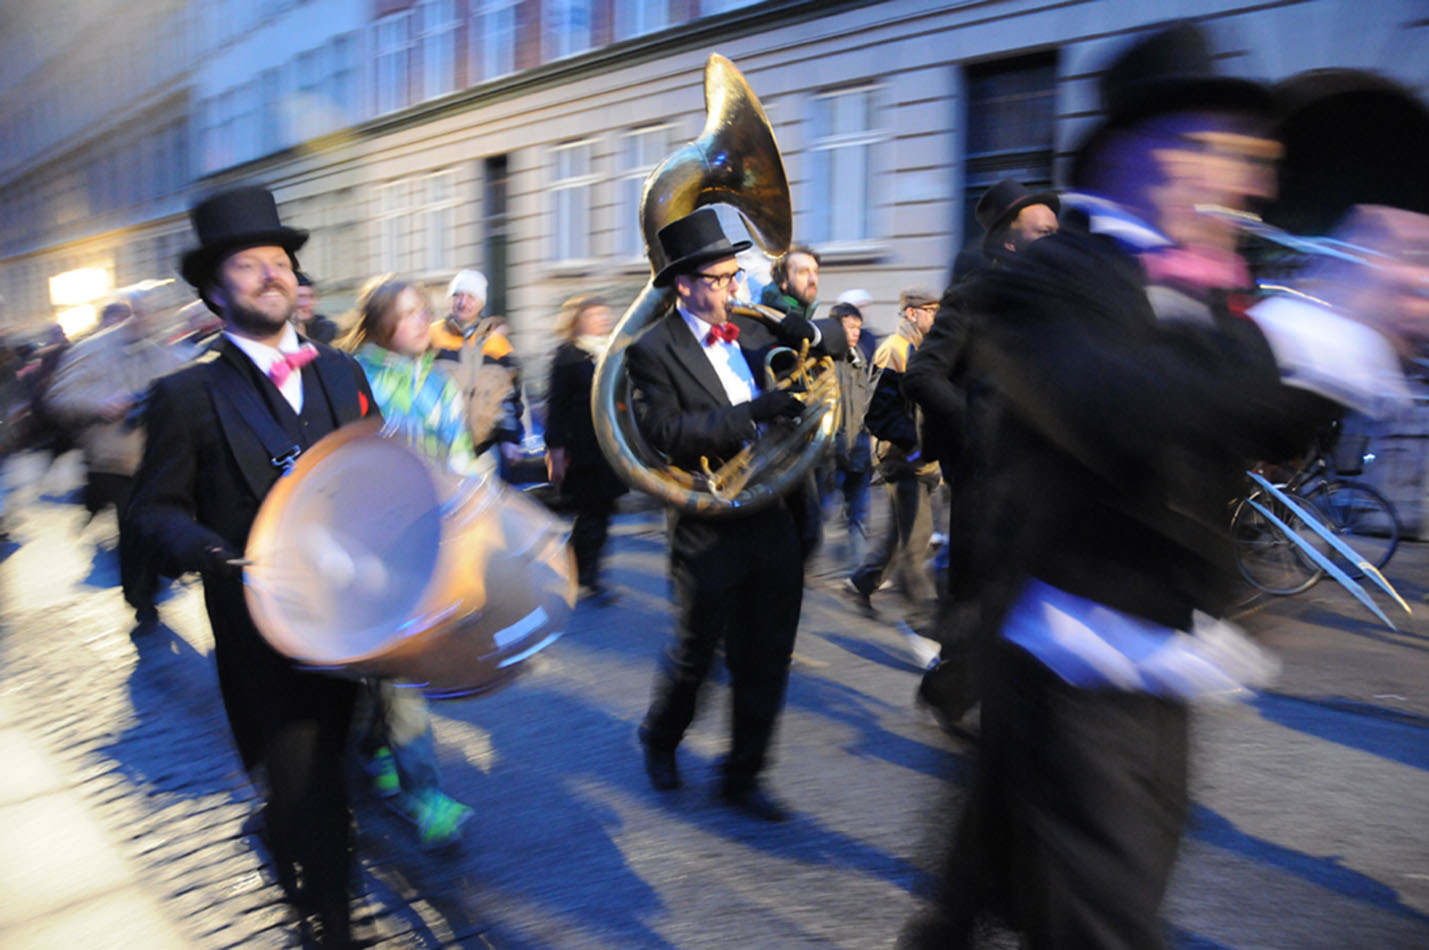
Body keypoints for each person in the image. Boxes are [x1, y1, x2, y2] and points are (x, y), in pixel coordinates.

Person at [898, 22, 1398, 949]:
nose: (1251, 186)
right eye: (1225, 154)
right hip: (1071, 666)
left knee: (983, 886)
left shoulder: (1213, 292)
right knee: (1106, 921)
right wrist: (1303, 333)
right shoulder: (1043, 277)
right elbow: (1116, 409)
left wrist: (1359, 334)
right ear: (1143, 154)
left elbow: (1263, 428)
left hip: (1161, 653)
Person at [128, 185, 377, 947]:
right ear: (213, 290)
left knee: (341, 758)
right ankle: (331, 921)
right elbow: (152, 509)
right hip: (258, 629)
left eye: (280, 261)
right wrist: (208, 551)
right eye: (248, 263)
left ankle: (285, 831)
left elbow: (379, 474)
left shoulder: (342, 373)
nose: (271, 274)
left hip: (354, 619)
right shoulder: (184, 394)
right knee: (308, 780)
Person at [629, 208, 809, 822]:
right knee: (694, 655)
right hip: (707, 527)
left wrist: (823, 341)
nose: (736, 288)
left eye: (736, 275)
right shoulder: (651, 351)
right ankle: (662, 736)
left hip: (771, 517)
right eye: (722, 278)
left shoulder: (753, 332)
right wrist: (755, 413)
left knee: (767, 655)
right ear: (684, 283)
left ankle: (744, 775)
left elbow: (812, 364)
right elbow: (667, 434)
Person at [903, 180, 1060, 726]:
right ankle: (951, 693)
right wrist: (973, 424)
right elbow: (923, 374)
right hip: (984, 481)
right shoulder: (970, 297)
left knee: (1026, 604)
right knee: (979, 604)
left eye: (1056, 232)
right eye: (1042, 232)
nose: (1054, 240)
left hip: (1041, 481)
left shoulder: (1056, 307)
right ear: (1010, 243)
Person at [339, 274, 483, 849]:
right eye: (409, 314)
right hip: (367, 551)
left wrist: (478, 513)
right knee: (392, 672)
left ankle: (386, 760)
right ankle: (419, 790)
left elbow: (462, 460)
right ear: (379, 324)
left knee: (398, 669)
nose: (425, 322)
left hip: (427, 546)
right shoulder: (353, 379)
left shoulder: (441, 385)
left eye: (424, 311)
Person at [46, 292, 188, 634]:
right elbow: (58, 398)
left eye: (152, 312)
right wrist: (100, 404)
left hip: (157, 461)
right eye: (138, 312)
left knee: (159, 529)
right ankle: (143, 602)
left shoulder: (162, 354)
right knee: (135, 534)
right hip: (114, 464)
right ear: (125, 313)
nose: (145, 318)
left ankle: (155, 581)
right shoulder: (91, 350)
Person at [846, 289, 942, 662]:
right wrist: (915, 447)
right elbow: (879, 412)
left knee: (899, 535)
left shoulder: (924, 348)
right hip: (902, 459)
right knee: (916, 539)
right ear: (914, 313)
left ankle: (861, 584)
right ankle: (921, 620)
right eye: (931, 311)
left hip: (920, 459)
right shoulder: (895, 350)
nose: (936, 317)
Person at [544, 294, 627, 603]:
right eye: (594, 316)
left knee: (600, 513)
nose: (603, 321)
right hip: (582, 447)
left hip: (610, 447)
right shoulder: (568, 356)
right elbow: (556, 405)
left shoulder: (611, 352)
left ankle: (580, 569)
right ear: (578, 320)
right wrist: (555, 448)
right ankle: (588, 576)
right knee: (592, 514)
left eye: (604, 316)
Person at [430, 269, 525, 474]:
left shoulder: (499, 345)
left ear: (481, 302)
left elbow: (509, 398)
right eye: (457, 296)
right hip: (438, 449)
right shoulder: (431, 337)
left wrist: (510, 439)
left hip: (485, 452)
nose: (463, 303)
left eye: (470, 297)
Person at [822, 301, 875, 572]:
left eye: (858, 327)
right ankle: (797, 563)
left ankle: (858, 575)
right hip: (832, 454)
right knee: (821, 514)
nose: (855, 332)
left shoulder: (860, 358)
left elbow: (864, 403)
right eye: (850, 327)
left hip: (859, 452)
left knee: (859, 517)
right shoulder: (827, 361)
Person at [294, 272, 340, 344]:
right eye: (301, 297)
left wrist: (301, 337)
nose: (307, 303)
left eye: (311, 296)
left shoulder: (325, 328)